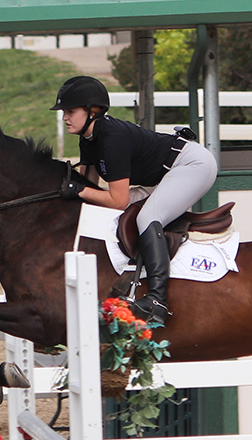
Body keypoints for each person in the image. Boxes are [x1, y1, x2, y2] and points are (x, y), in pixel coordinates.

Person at [52, 76, 218, 326]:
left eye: (70, 111)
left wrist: (79, 192)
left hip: (193, 165)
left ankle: (157, 300)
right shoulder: (88, 139)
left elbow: (116, 199)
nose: (65, 117)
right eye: (65, 111)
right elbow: (89, 187)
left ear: (92, 111)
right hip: (163, 175)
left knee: (147, 217)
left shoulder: (112, 138)